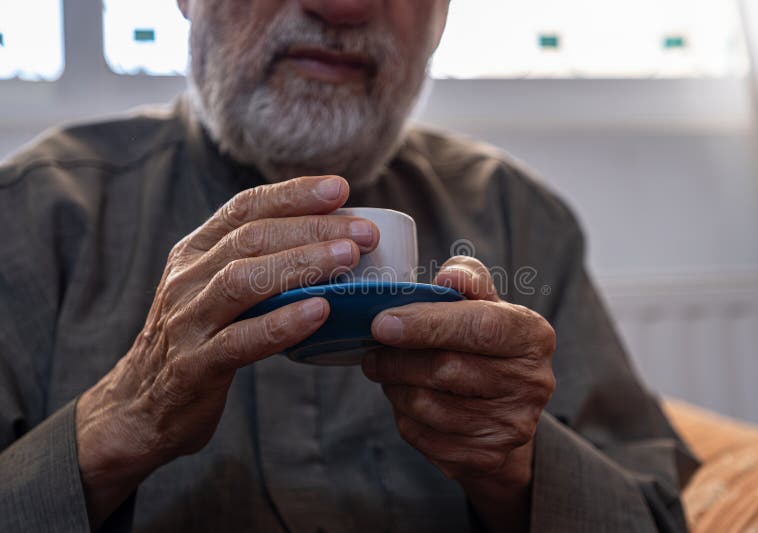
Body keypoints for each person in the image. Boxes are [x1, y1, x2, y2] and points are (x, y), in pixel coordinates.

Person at [0, 1, 697, 531]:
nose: (342, 5)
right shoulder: (32, 216)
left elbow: (658, 513)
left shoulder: (520, 220)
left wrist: (518, 468)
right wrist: (118, 422)